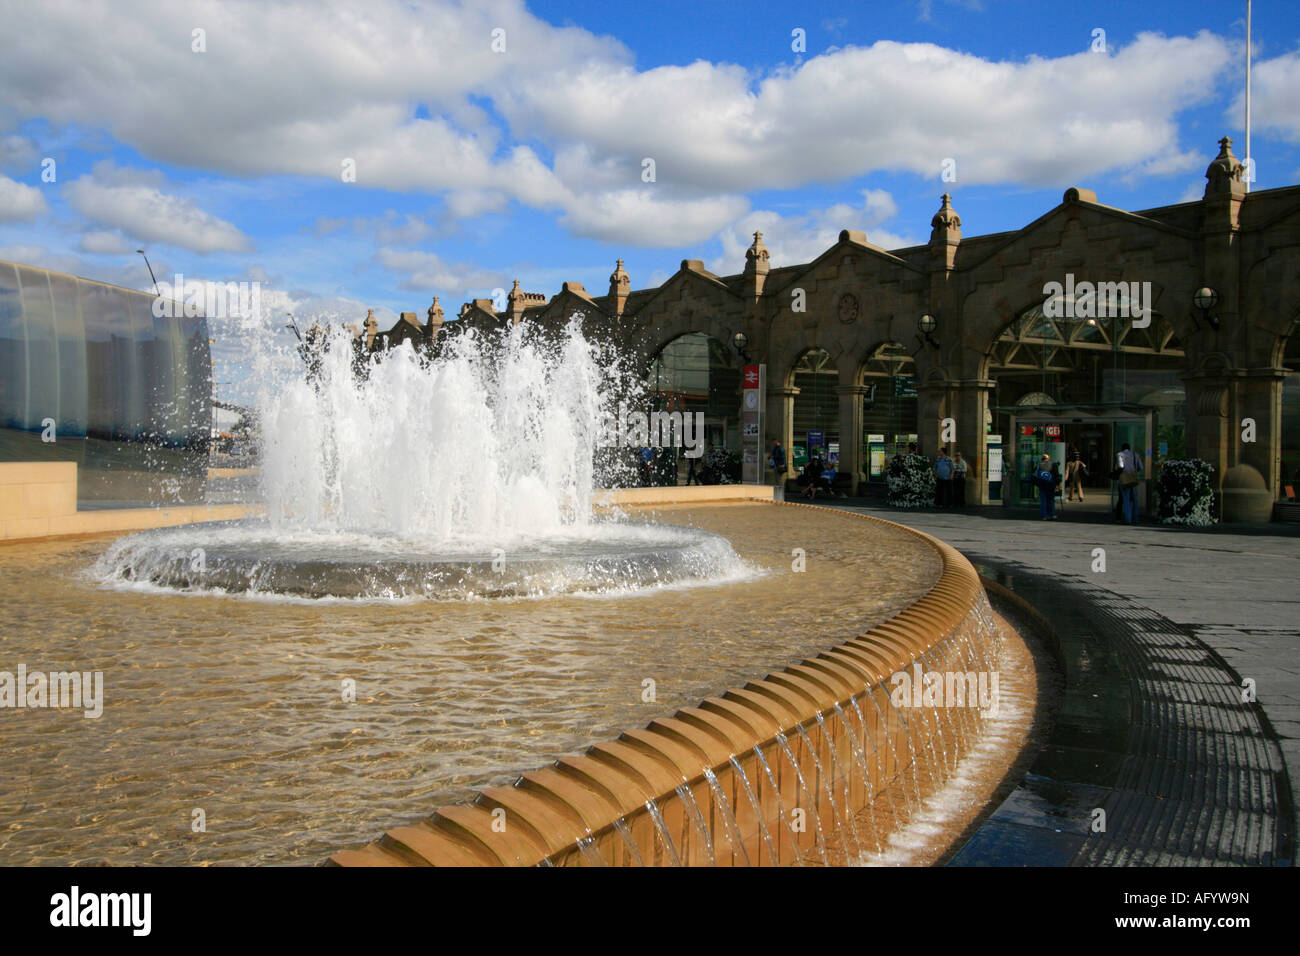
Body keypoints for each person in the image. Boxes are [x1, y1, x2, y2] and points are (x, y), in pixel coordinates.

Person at [1117, 441, 1143, 524]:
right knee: (1135, 499)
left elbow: (1121, 466)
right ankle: (1135, 518)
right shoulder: (1136, 455)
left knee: (1126, 499)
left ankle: (1127, 519)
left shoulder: (1120, 455)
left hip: (1124, 478)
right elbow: (1141, 467)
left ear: (1122, 448)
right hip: (1133, 478)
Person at [1033, 453, 1058, 520]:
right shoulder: (1053, 464)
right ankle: (1052, 514)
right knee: (1051, 500)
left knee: (1043, 501)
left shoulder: (1039, 465)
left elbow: (1034, 475)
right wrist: (1056, 484)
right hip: (1051, 485)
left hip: (1042, 485)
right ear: (1048, 458)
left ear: (1042, 459)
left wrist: (1038, 484)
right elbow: (1056, 475)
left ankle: (1044, 515)